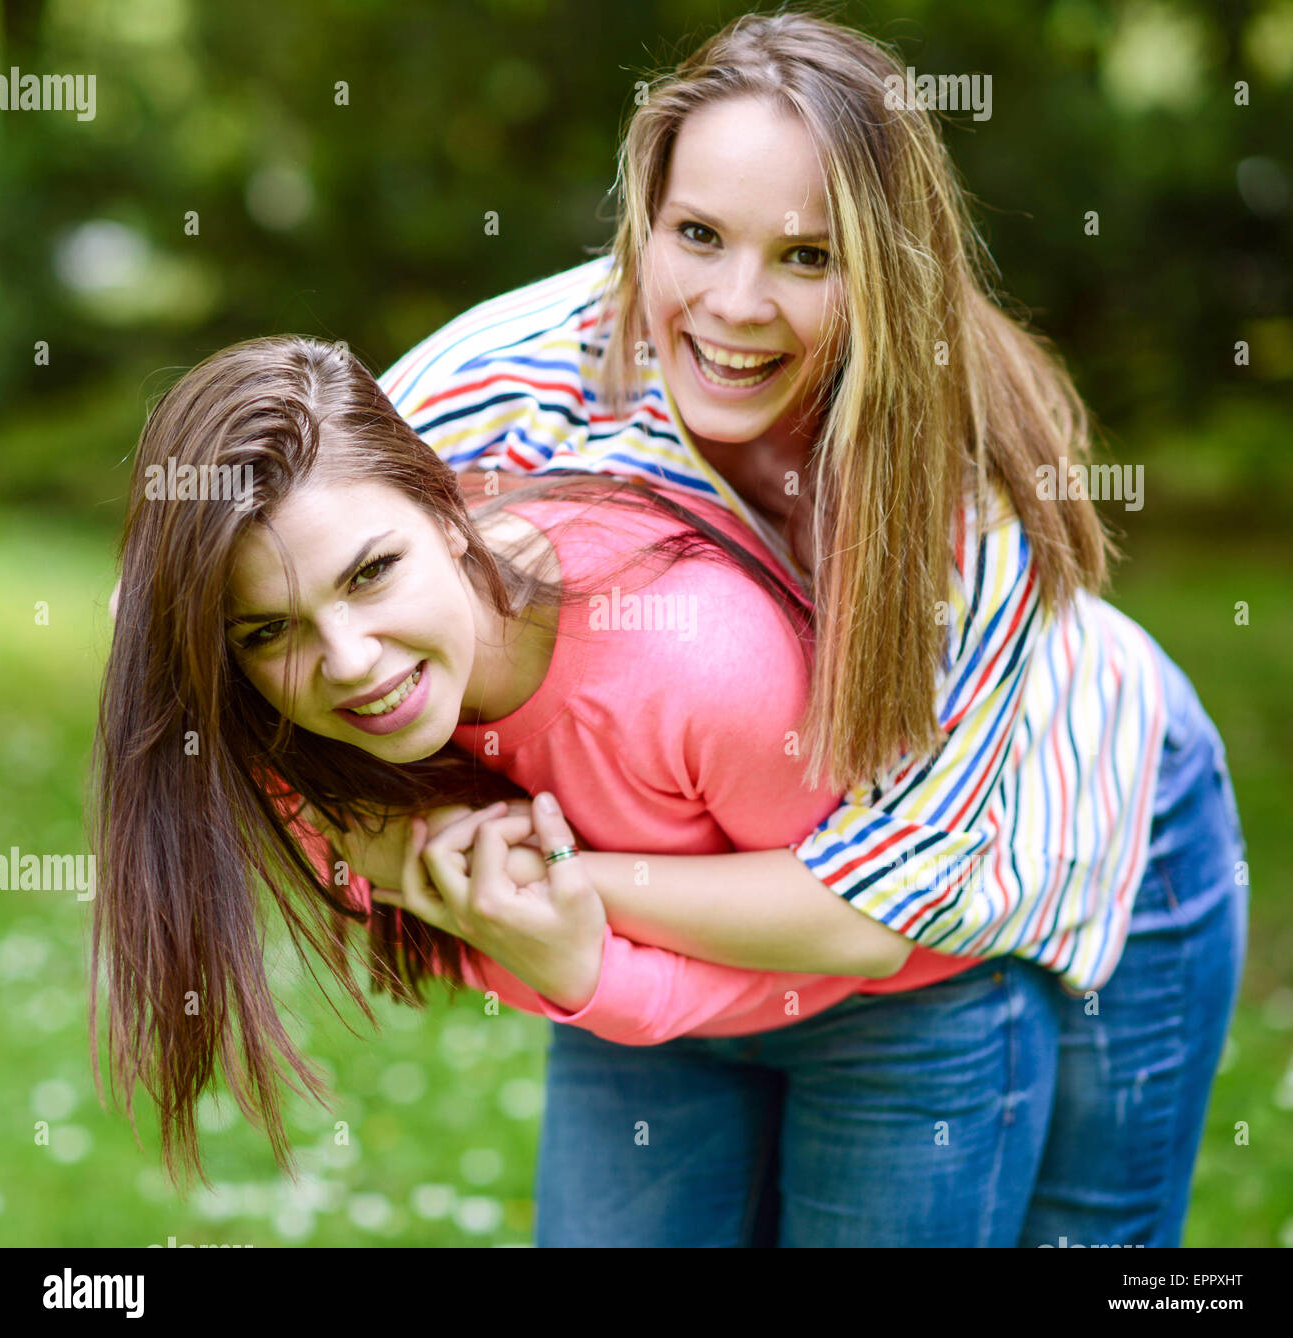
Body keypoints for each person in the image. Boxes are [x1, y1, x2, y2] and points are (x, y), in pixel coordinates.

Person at [366, 8, 1248, 1246]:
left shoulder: (964, 502)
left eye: (806, 257)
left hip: (1075, 836)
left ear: (886, 269)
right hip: (718, 884)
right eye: (698, 235)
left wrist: (551, 876)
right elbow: (274, 567)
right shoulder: (516, 379)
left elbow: (873, 909)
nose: (734, 305)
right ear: (644, 220)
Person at [92, 335, 998, 1232]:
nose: (350, 663)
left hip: (908, 1013)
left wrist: (558, 898)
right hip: (645, 1018)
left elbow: (874, 926)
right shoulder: (288, 736)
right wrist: (572, 962)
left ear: (450, 514)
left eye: (372, 574)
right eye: (269, 630)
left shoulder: (696, 658)